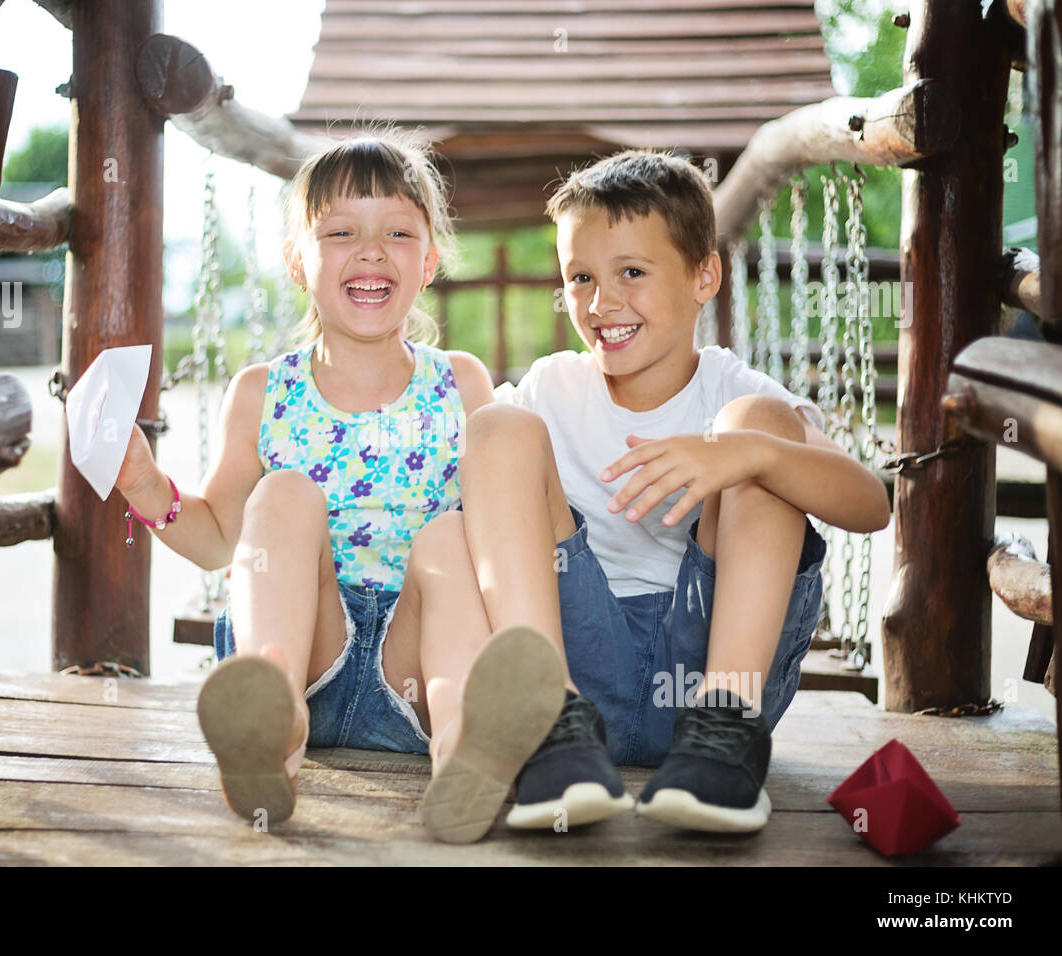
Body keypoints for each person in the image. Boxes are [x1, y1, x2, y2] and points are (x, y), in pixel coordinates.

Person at [114, 131, 631, 843]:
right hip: (308, 654)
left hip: (420, 667)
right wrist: (147, 484)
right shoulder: (264, 391)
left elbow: (500, 527)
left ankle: (463, 751)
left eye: (397, 231)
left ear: (429, 262)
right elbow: (220, 541)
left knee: (452, 535)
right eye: (340, 233)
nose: (371, 251)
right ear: (299, 261)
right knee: (282, 498)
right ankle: (274, 726)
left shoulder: (459, 381)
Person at [465, 148, 892, 833]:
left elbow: (872, 505)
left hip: (714, 666)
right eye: (580, 277)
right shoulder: (553, 388)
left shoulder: (735, 390)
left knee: (761, 433)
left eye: (631, 272)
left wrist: (745, 455)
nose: (602, 303)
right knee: (496, 427)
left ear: (704, 275)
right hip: (582, 674)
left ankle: (726, 729)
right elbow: (479, 487)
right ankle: (544, 715)